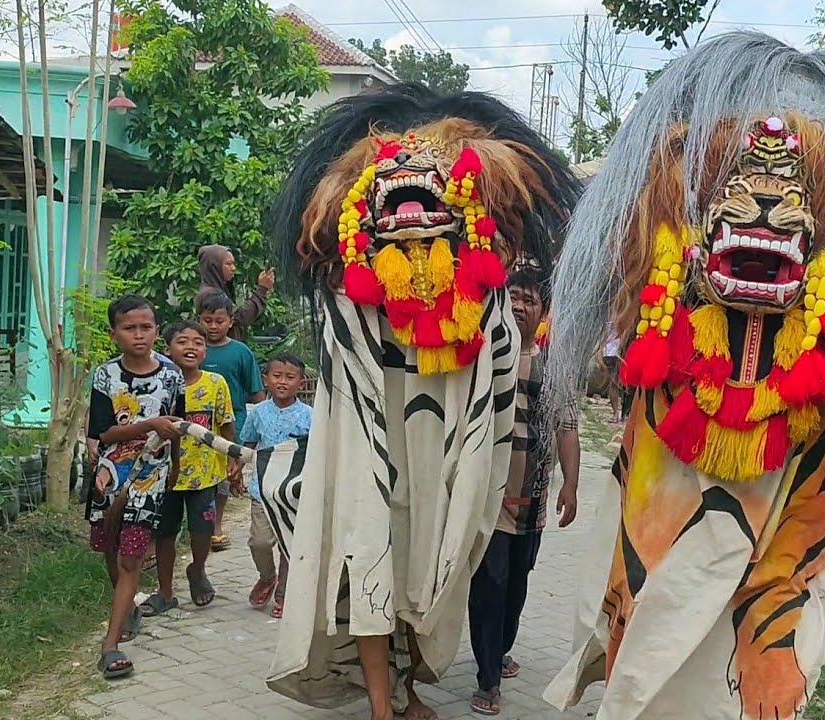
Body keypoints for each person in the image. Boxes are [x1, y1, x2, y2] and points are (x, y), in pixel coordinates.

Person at [540, 33, 825, 719]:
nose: (766, 200)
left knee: (769, 652)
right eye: (734, 181)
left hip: (797, 458)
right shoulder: (667, 319)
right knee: (643, 621)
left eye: (802, 185)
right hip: (669, 459)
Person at [260, 81, 582, 720]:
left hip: (447, 471)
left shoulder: (486, 302)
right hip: (371, 464)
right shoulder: (350, 303)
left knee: (432, 574)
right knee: (370, 565)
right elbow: (348, 388)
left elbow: (495, 387)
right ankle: (384, 704)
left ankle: (407, 691)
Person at [468, 271, 580, 715]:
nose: (518, 306)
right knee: (489, 585)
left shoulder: (554, 366)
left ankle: (498, 651)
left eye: (528, 300)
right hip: (486, 500)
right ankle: (487, 679)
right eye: (511, 297)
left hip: (531, 501)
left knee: (516, 586)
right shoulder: (482, 355)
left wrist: (571, 485)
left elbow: (566, 427)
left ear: (542, 312)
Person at [86, 295, 185, 679]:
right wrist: (148, 425)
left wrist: (175, 465)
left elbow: (175, 426)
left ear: (157, 331)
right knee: (110, 549)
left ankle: (109, 646)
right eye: (130, 328)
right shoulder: (105, 375)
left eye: (146, 327)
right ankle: (126, 610)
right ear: (114, 334)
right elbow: (103, 432)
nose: (139, 335)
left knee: (131, 558)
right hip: (110, 475)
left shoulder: (172, 375)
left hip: (151, 478)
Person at [140, 320, 237, 615]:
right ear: (167, 349)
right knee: (165, 532)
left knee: (202, 528)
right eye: (182, 341)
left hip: (204, 473)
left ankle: (198, 569)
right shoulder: (158, 384)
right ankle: (165, 592)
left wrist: (233, 459)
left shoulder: (215, 384)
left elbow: (227, 424)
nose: (191, 347)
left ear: (205, 351)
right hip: (163, 474)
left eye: (198, 342)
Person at [239, 352, 312, 619]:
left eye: (290, 377)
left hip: (293, 494)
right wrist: (235, 470)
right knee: (259, 542)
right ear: (265, 379)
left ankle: (285, 596)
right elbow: (248, 443)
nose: (283, 382)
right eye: (277, 376)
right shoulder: (258, 413)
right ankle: (267, 577)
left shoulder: (310, 416)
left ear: (301, 384)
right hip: (261, 491)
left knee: (289, 546)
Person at [197, 290, 264, 552]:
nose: (213, 326)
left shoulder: (241, 352)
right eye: (207, 320)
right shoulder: (193, 349)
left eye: (219, 321)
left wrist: (264, 420)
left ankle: (216, 525)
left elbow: (256, 390)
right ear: (199, 319)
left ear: (231, 321)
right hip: (197, 423)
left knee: (225, 475)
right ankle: (196, 525)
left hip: (232, 423)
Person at [194, 244, 275, 340]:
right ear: (214, 266)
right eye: (228, 264)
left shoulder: (219, 288)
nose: (233, 268)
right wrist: (262, 289)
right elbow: (239, 317)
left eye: (233, 263)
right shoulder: (209, 294)